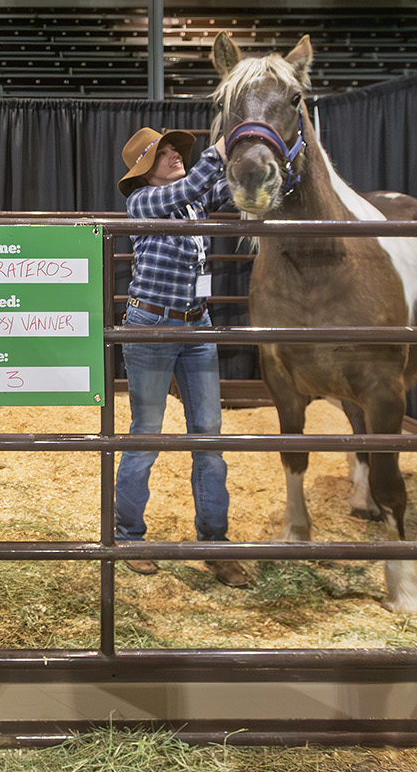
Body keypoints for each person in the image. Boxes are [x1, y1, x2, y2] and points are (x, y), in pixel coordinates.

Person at [116, 126, 249, 588]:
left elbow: (236, 189)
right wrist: (217, 152)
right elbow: (194, 185)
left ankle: (214, 543)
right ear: (144, 170)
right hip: (150, 326)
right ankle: (128, 537)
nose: (175, 156)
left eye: (176, 151)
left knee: (208, 436)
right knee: (146, 434)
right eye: (164, 154)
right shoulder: (143, 202)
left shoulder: (192, 199)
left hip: (197, 323)